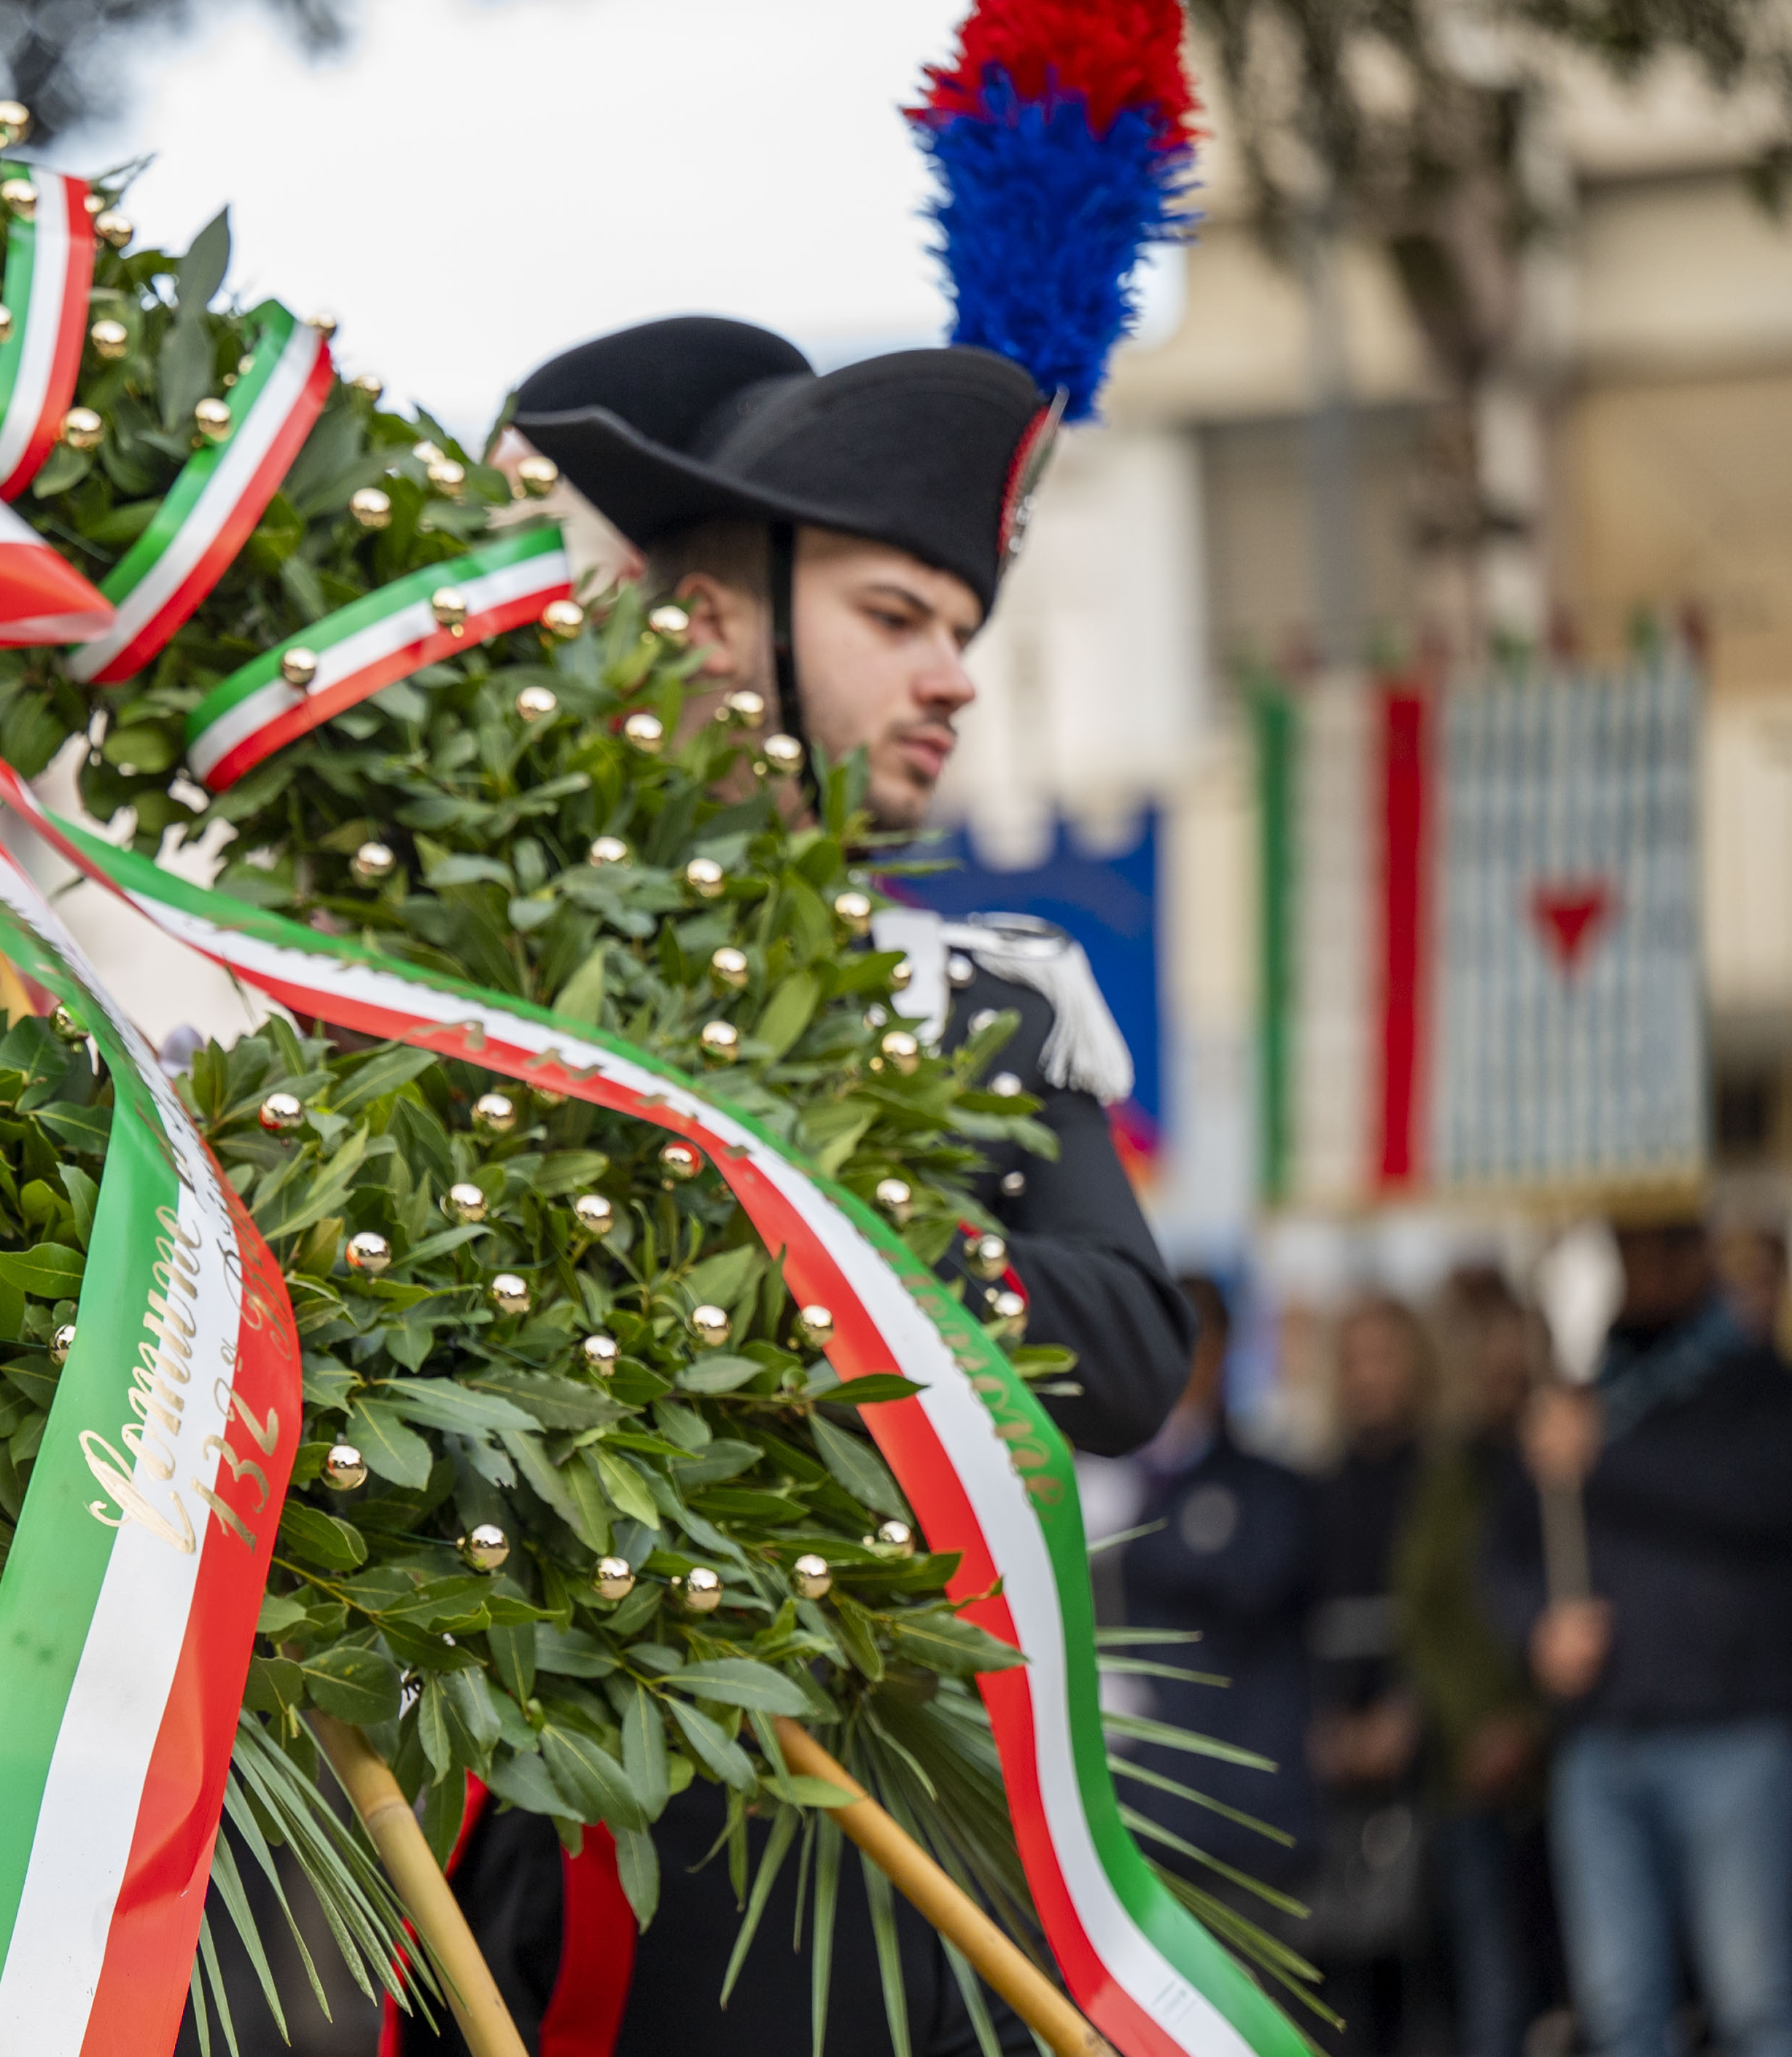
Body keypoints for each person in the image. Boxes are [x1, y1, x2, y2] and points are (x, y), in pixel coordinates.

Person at [408, 319, 1195, 2057]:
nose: (954, 678)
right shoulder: (497, 972)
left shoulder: (983, 989)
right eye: (893, 618)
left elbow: (1134, 1351)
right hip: (569, 1820)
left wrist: (830, 1241)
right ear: (708, 620)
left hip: (891, 1855)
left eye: (965, 632)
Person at [1487, 1219, 1792, 2057]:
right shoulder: (1576, 1391)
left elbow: (1755, 1499)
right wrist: (1535, 1632)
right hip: (1602, 1742)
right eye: (1631, 1246)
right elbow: (1505, 1553)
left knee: (1755, 2003)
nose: (1647, 1266)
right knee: (1619, 2009)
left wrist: (1605, 1454)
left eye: (1666, 1245)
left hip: (1732, 1731)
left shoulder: (1753, 1378)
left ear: (1702, 1251)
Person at [1110, 1277, 1320, 1892]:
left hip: (1238, 1815)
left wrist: (1132, 1527)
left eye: (1195, 1344)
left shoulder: (1266, 1487)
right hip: (1132, 1803)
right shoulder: (1102, 1475)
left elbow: (1250, 1581)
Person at [1398, 1274, 1558, 2057]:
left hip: (1562, 1760)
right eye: (1491, 1367)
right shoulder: (1451, 1475)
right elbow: (1422, 1615)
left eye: (1518, 1370)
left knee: (1583, 1987)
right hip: (1469, 1769)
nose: (1503, 1386)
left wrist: (1532, 1726)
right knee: (1490, 1990)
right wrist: (1478, 1727)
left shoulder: (1566, 1473)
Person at [1297, 1297, 1443, 2052]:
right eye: (1353, 1358)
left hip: (1437, 1772)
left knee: (1432, 1985)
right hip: (1336, 1767)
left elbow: (1456, 1619)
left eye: (1383, 1355)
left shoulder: (1444, 1482)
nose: (1368, 1376)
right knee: (1342, 1978)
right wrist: (1324, 1725)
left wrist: (1409, 1713)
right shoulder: (1316, 1489)